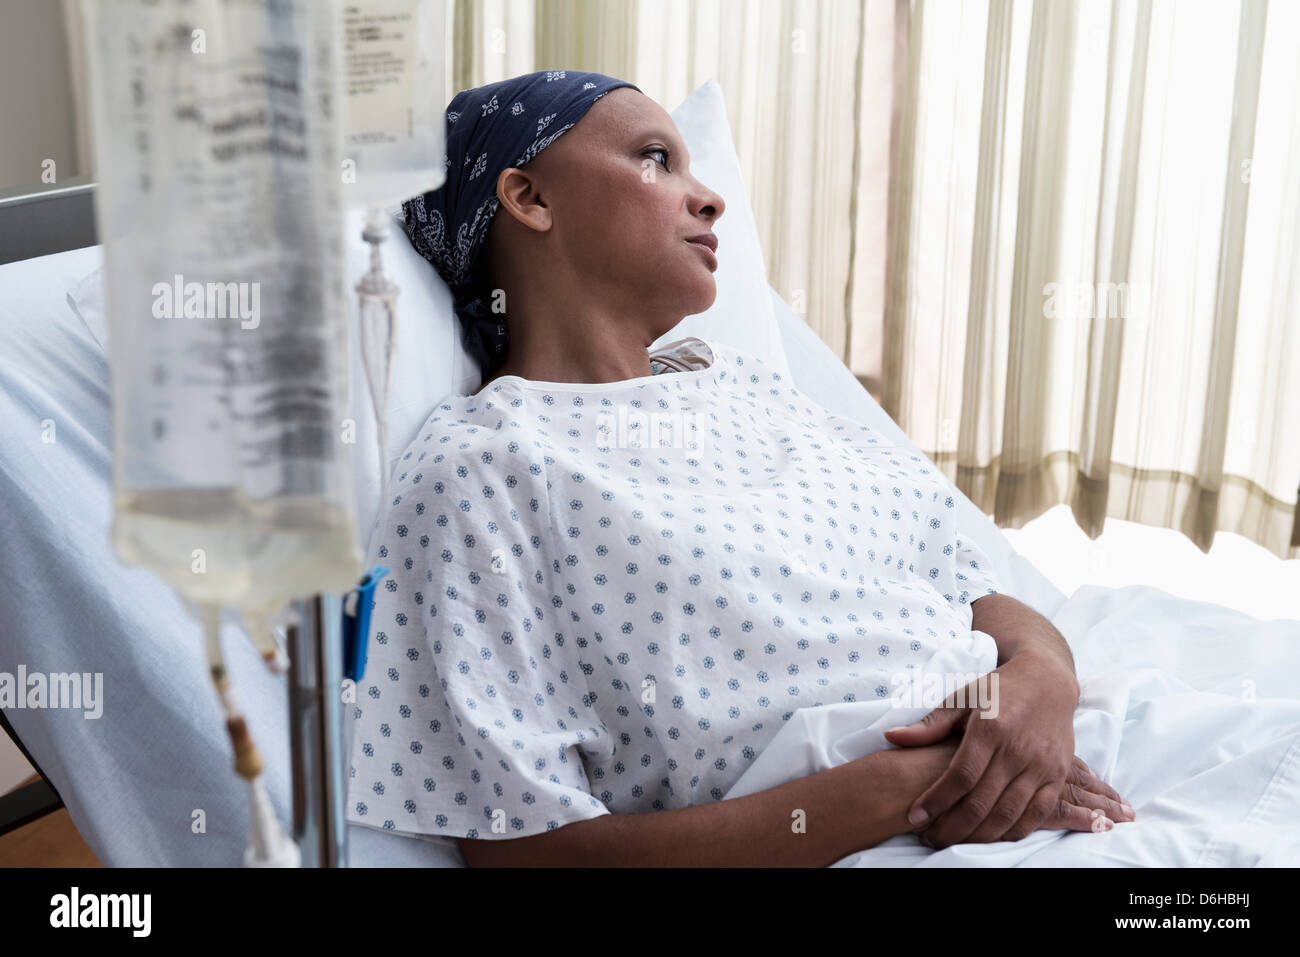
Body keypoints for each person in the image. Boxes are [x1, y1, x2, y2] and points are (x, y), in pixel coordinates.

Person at [345, 69, 1134, 867]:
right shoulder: (485, 468)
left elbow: (972, 586)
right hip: (919, 829)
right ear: (530, 197)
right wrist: (916, 784)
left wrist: (1042, 680)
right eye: (658, 159)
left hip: (1061, 757)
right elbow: (531, 855)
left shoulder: (749, 389)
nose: (711, 198)